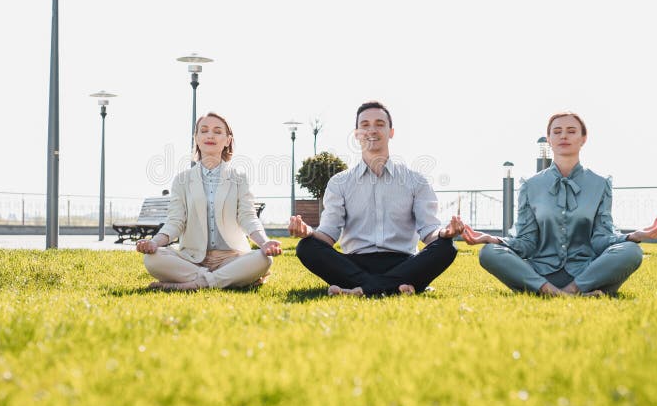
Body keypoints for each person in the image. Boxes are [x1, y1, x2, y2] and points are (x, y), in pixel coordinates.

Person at [462, 111, 657, 296]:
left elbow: (601, 239)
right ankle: (556, 292)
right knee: (489, 252)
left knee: (631, 251)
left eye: (571, 131)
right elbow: (526, 242)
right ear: (549, 139)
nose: (563, 136)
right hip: (540, 273)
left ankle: (570, 291)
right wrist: (494, 240)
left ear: (583, 139)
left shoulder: (600, 183)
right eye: (557, 131)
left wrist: (633, 236)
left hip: (587, 273)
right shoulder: (531, 185)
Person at [288, 101, 463, 296]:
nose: (372, 130)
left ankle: (361, 289)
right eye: (365, 125)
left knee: (447, 248)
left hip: (402, 261)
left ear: (391, 132)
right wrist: (308, 232)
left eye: (380, 124)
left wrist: (444, 233)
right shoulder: (339, 183)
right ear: (356, 134)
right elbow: (328, 234)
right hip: (354, 263)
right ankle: (396, 287)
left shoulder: (416, 181)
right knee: (306, 247)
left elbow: (429, 232)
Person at [136, 112, 282, 290]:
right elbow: (175, 222)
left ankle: (194, 284)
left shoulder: (239, 178)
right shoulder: (182, 180)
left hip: (232, 258)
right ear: (196, 138)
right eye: (204, 131)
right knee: (152, 259)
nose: (210, 135)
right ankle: (221, 280)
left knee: (263, 259)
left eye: (217, 131)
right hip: (192, 259)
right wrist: (154, 242)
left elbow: (248, 217)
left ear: (228, 140)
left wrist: (264, 243)